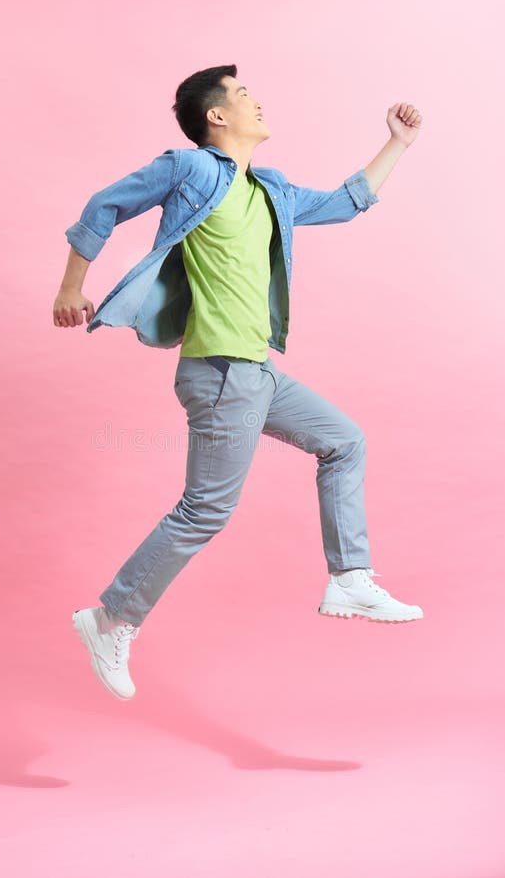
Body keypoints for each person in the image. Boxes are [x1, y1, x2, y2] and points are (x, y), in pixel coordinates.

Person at [54, 64, 424, 701]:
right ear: (217, 115)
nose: (258, 101)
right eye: (245, 95)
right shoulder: (190, 169)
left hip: (258, 371)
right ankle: (112, 617)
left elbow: (344, 204)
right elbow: (104, 204)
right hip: (222, 371)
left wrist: (398, 143)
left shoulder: (269, 189)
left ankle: (349, 577)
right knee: (205, 510)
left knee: (344, 442)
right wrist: (71, 287)